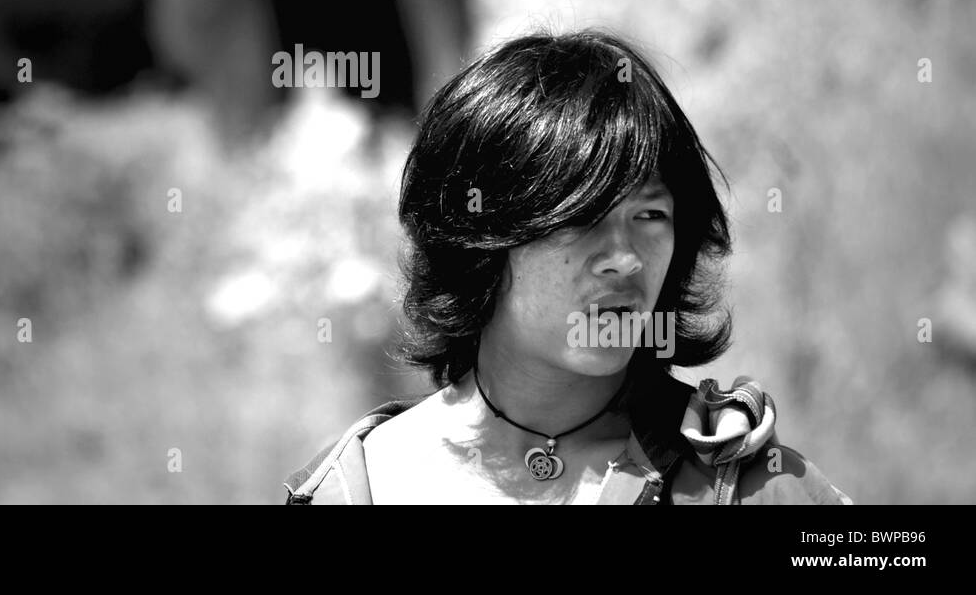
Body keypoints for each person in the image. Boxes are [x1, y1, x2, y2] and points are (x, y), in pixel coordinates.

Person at [283, 28, 852, 504]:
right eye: (581, 217)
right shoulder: (355, 488)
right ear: (482, 239)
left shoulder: (750, 484)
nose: (625, 258)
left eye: (650, 214)